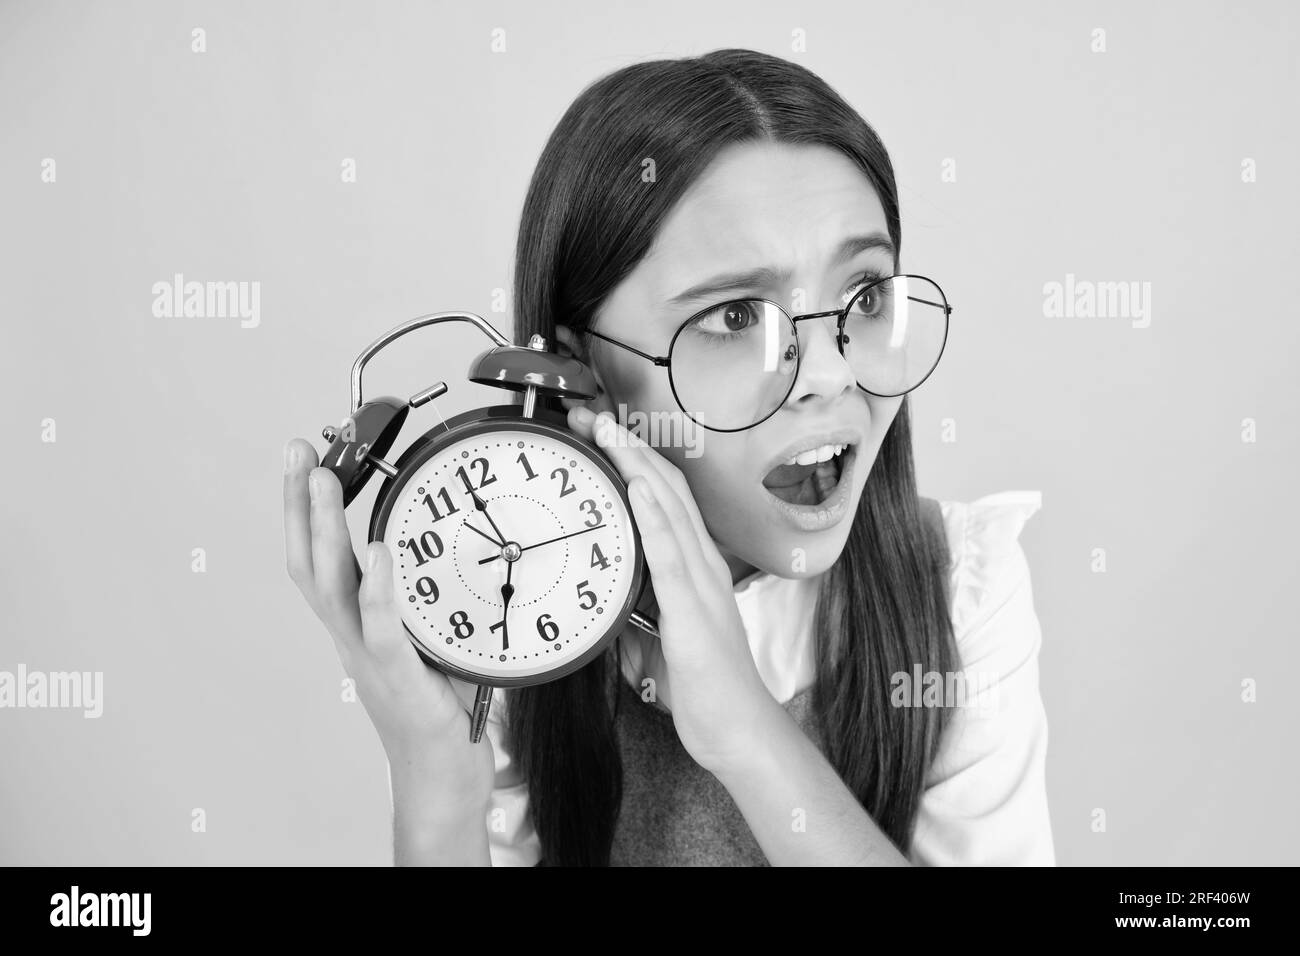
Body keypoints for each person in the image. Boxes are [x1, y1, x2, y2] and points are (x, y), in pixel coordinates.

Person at [282, 47, 1053, 866]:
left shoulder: (961, 593)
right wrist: (436, 777)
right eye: (735, 317)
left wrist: (746, 732)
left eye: (865, 297)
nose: (829, 374)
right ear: (583, 369)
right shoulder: (508, 622)